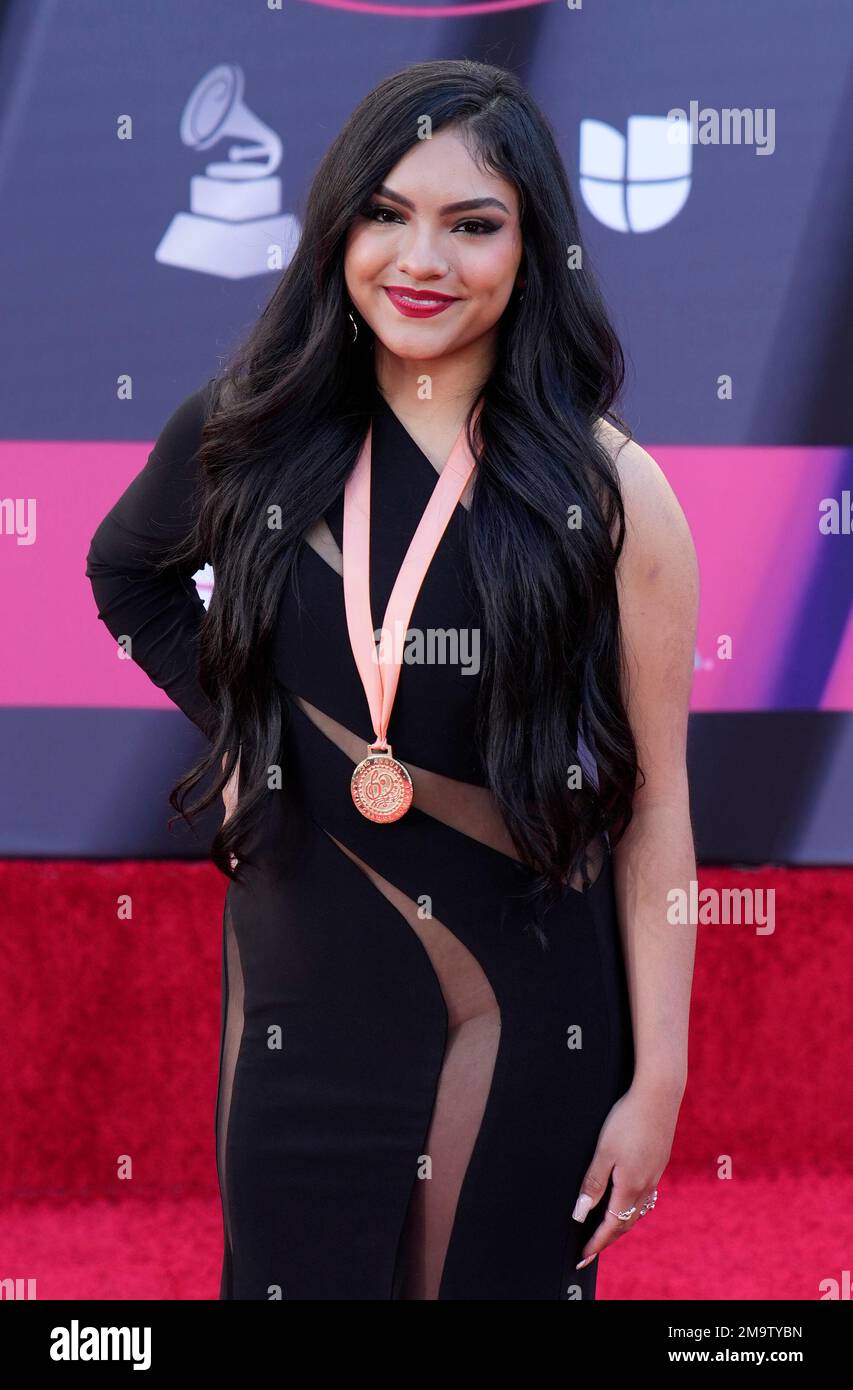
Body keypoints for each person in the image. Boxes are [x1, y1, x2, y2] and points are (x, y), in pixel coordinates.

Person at [85, 59, 698, 1301]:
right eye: (386, 212)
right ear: (338, 226)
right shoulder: (246, 431)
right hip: (301, 1000)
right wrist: (265, 733)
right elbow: (125, 574)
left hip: (532, 1007)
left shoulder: (611, 491)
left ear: (532, 251)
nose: (420, 257)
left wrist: (659, 1083)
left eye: (472, 224)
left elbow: (656, 811)